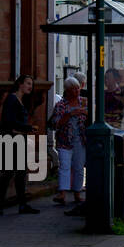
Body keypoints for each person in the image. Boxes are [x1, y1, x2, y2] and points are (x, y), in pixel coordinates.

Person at [0, 75, 39, 215]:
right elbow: (8, 121)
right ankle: (2, 205)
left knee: (19, 173)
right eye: (27, 83)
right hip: (11, 140)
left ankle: (20, 205)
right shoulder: (12, 99)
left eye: (31, 84)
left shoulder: (19, 100)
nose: (30, 86)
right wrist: (27, 127)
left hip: (18, 140)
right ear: (20, 84)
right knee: (9, 173)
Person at [47, 77, 88, 206]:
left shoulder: (84, 102)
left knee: (79, 167)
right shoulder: (61, 105)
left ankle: (77, 193)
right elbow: (55, 124)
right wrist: (69, 114)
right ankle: (62, 194)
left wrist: (85, 113)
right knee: (64, 166)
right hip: (64, 140)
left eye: (78, 88)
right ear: (67, 91)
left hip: (80, 140)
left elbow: (93, 117)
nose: (77, 91)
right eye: (73, 89)